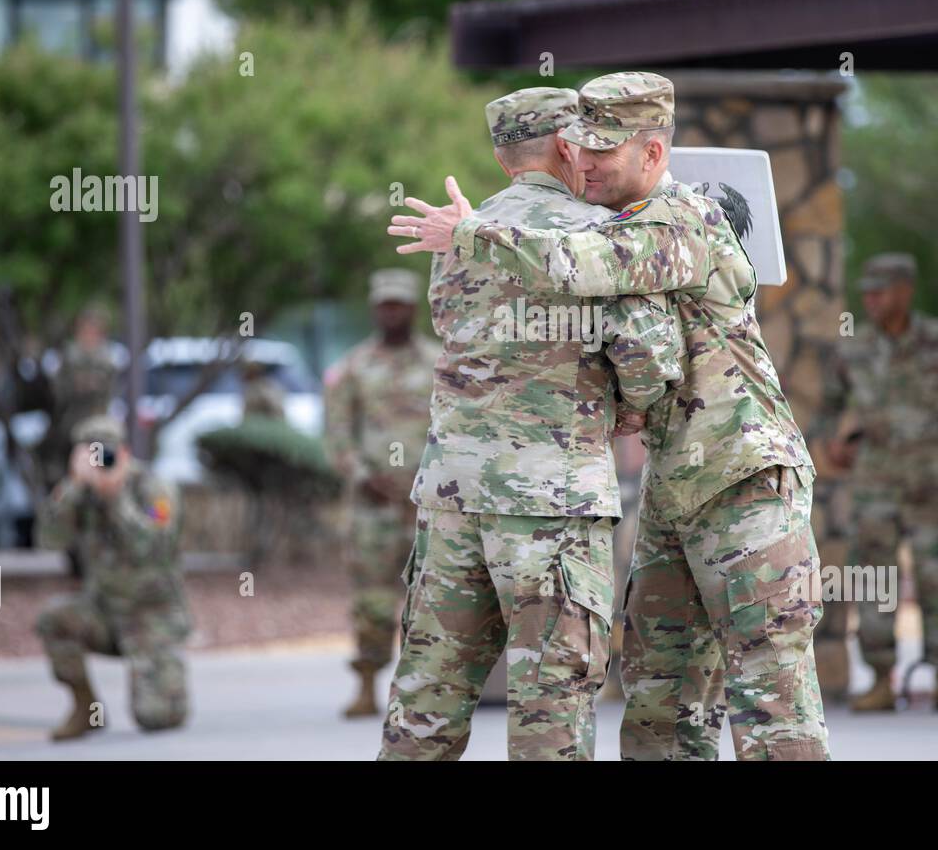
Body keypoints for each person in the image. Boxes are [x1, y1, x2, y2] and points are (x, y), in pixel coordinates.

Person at [390, 72, 828, 761]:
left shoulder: (684, 218)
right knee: (659, 700)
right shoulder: (613, 219)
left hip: (743, 480)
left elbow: (580, 264)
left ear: (653, 154)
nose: (585, 164)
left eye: (604, 151)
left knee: (770, 698)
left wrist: (474, 232)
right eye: (580, 147)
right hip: (674, 489)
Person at [377, 87, 685, 761]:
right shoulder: (598, 233)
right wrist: (629, 407)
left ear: (499, 154)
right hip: (555, 506)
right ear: (572, 147)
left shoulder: (458, 234)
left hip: (452, 500)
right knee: (551, 707)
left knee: (427, 697)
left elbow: (457, 335)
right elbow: (650, 358)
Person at [815, 252, 938, 711]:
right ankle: (881, 679)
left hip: (929, 484)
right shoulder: (854, 348)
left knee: (937, 579)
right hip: (874, 487)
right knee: (875, 581)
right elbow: (826, 405)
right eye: (867, 291)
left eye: (880, 290)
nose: (871, 299)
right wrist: (830, 443)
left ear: (905, 291)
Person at [323, 268, 440, 717]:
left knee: (428, 599)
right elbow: (336, 434)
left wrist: (432, 480)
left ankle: (419, 695)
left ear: (413, 308)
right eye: (385, 304)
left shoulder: (438, 361)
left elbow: (454, 427)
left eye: (400, 304)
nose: (392, 311)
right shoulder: (352, 368)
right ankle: (368, 685)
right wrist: (361, 476)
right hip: (371, 505)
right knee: (370, 599)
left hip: (425, 504)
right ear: (375, 309)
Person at [35, 415, 191, 740]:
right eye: (90, 454)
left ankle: (158, 678)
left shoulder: (153, 488)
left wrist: (115, 497)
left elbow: (152, 547)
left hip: (152, 619)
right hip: (105, 613)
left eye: (105, 454)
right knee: (54, 618)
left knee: (158, 717)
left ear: (124, 453)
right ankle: (86, 709)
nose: (99, 462)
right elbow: (48, 539)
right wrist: (72, 487)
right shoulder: (81, 493)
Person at [40, 305, 119, 489]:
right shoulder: (69, 357)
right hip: (69, 428)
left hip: (96, 431)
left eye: (94, 330)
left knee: (101, 473)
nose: (89, 335)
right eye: (86, 329)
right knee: (63, 476)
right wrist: (78, 385)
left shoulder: (106, 359)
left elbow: (108, 390)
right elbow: (58, 392)